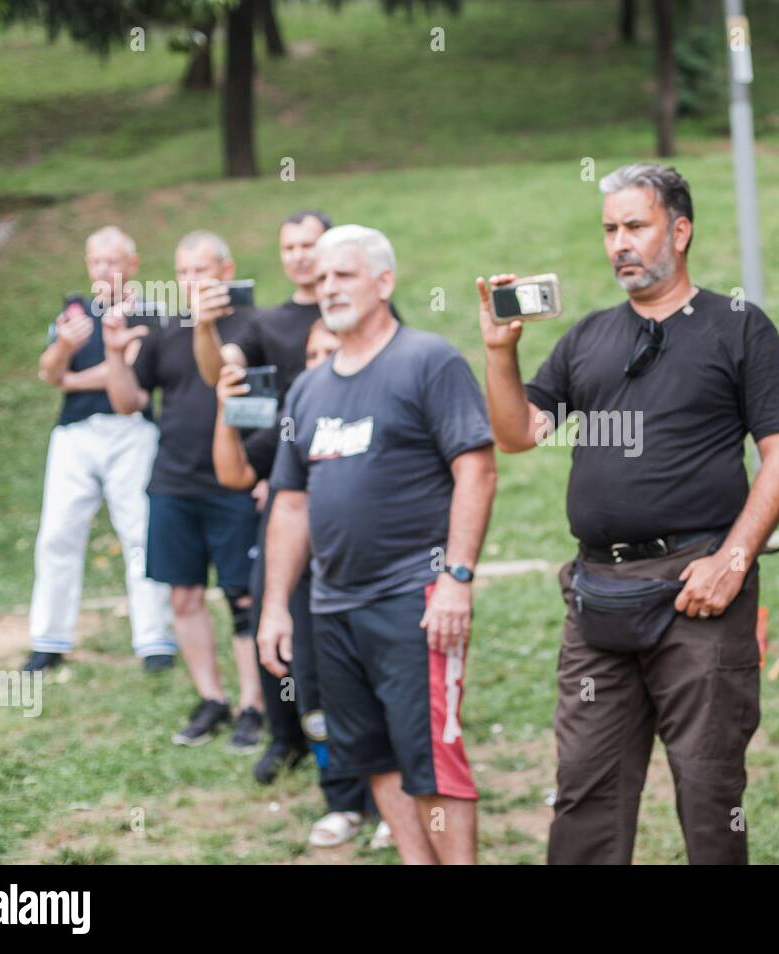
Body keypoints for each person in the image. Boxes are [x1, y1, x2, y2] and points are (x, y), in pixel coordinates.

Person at [480, 163, 779, 864]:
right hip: (598, 598)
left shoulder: (738, 327)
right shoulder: (588, 337)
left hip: (699, 594)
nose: (619, 243)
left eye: (636, 225)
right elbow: (516, 435)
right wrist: (499, 354)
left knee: (709, 793)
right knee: (584, 793)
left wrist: (733, 559)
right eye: (609, 229)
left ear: (680, 230)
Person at [259, 225, 497, 865]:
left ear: (384, 282)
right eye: (323, 277)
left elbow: (475, 468)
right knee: (374, 757)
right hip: (333, 607)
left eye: (345, 274)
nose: (327, 286)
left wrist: (456, 577)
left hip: (413, 598)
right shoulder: (308, 389)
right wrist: (277, 605)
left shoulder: (427, 360)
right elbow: (291, 502)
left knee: (432, 761)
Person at [212, 319, 384, 849]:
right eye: (310, 353)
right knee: (313, 689)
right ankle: (342, 800)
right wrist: (224, 411)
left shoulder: (384, 406)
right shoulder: (298, 414)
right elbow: (236, 475)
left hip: (374, 577)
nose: (317, 362)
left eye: (328, 350)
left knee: (378, 694)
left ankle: (391, 805)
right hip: (304, 581)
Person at [190, 209, 338, 786]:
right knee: (270, 615)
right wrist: (205, 328)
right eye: (290, 246)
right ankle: (285, 734)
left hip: (351, 497)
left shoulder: (361, 311)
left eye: (311, 244)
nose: (300, 255)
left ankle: (347, 736)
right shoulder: (266, 324)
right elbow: (219, 375)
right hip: (281, 494)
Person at [102, 231, 264, 750]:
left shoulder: (253, 325)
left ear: (226, 269)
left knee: (243, 596)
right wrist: (114, 355)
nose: (192, 281)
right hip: (172, 481)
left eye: (202, 270)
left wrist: (265, 475)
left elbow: (235, 385)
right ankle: (211, 698)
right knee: (184, 595)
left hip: (234, 481)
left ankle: (253, 705)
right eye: (184, 273)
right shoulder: (163, 328)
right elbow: (129, 402)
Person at [25, 226, 176, 673]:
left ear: (132, 264)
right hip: (75, 433)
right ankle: (49, 640)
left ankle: (155, 642)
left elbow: (126, 376)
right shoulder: (74, 315)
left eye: (112, 261)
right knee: (57, 533)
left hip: (131, 432)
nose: (103, 269)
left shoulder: (151, 312)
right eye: (95, 261)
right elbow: (48, 370)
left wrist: (70, 376)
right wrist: (64, 349)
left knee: (140, 534)